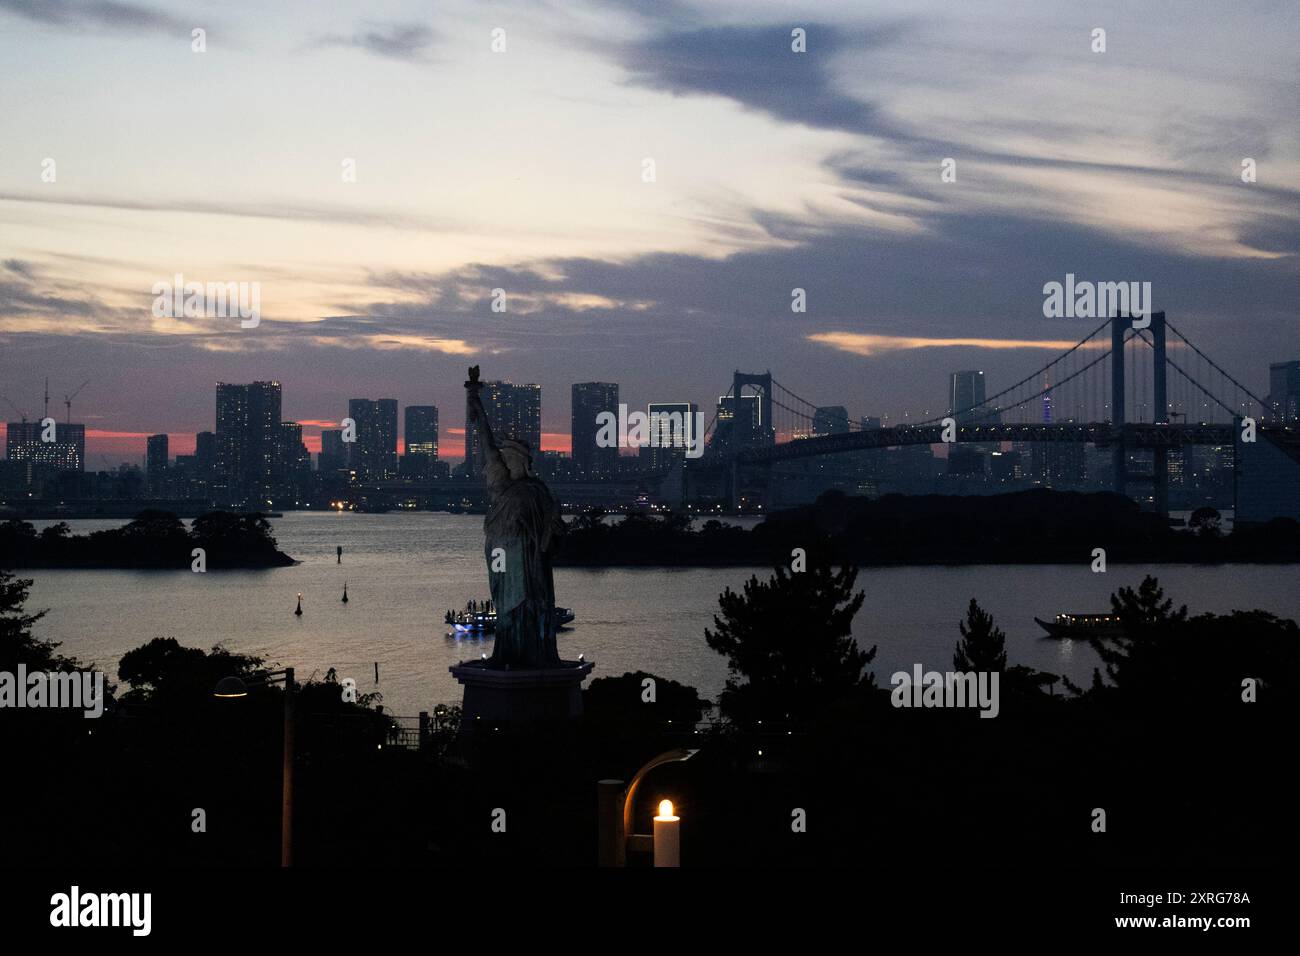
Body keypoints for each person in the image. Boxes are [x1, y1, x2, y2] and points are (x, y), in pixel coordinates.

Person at [465, 365, 566, 668]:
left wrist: (553, 531)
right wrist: (474, 395)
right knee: (507, 609)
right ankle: (510, 652)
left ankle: (533, 654)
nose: (505, 464)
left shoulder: (536, 490)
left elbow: (554, 530)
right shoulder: (501, 485)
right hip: (503, 558)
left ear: (522, 462)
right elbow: (486, 441)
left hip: (530, 562)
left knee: (532, 607)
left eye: (510, 459)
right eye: (503, 459)